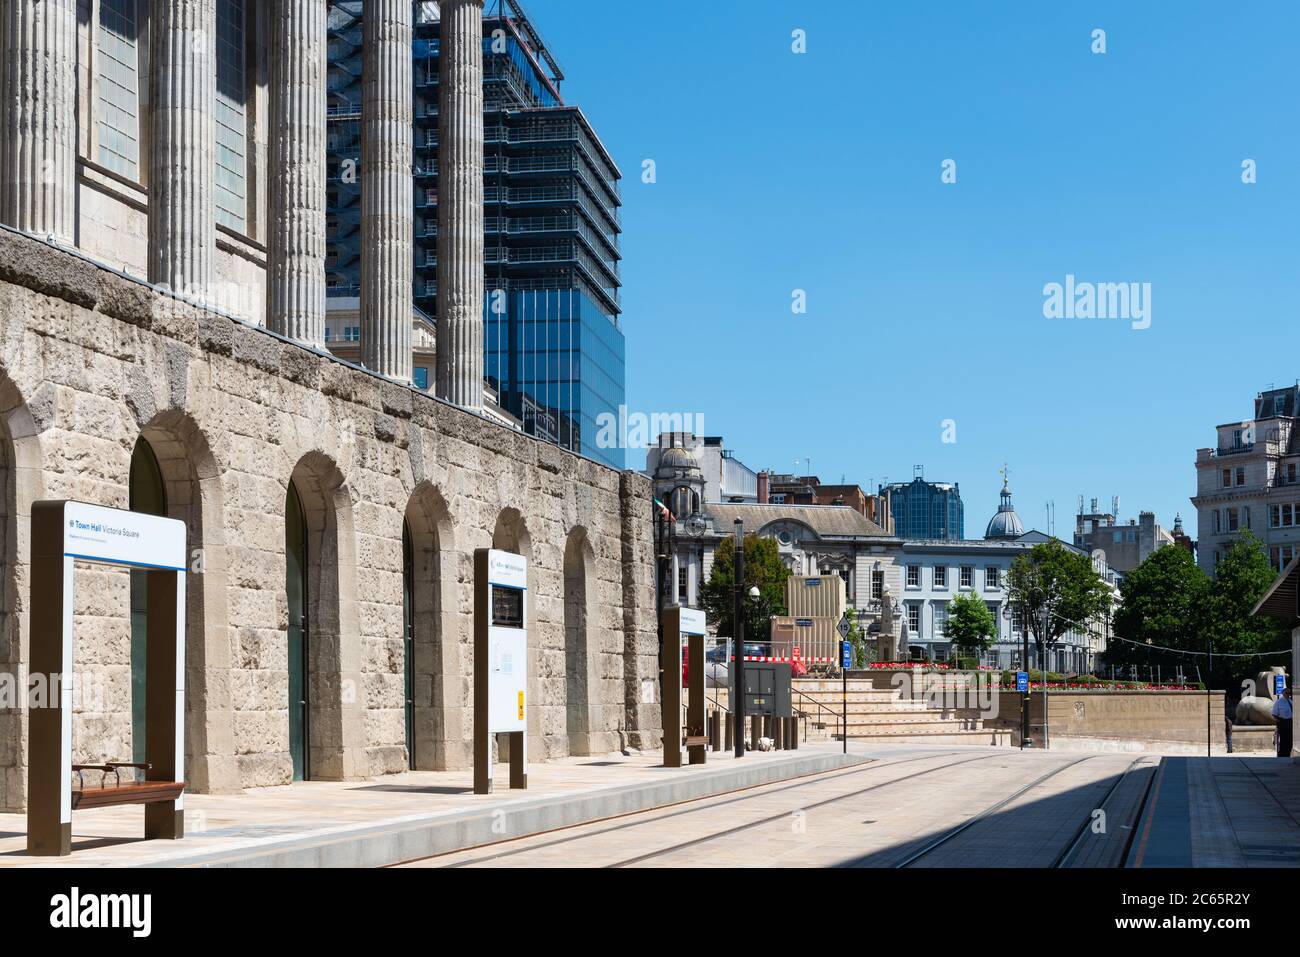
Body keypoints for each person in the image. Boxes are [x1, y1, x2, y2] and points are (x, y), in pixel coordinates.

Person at [1271, 685, 1293, 758]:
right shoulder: (1279, 702)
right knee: (1283, 740)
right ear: (1283, 693)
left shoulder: (1290, 701)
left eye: (1289, 693)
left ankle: (1288, 753)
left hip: (1291, 722)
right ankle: (1282, 755)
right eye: (1286, 693)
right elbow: (1274, 714)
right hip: (1283, 722)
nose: (1288, 694)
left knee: (1290, 740)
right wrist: (1280, 722)